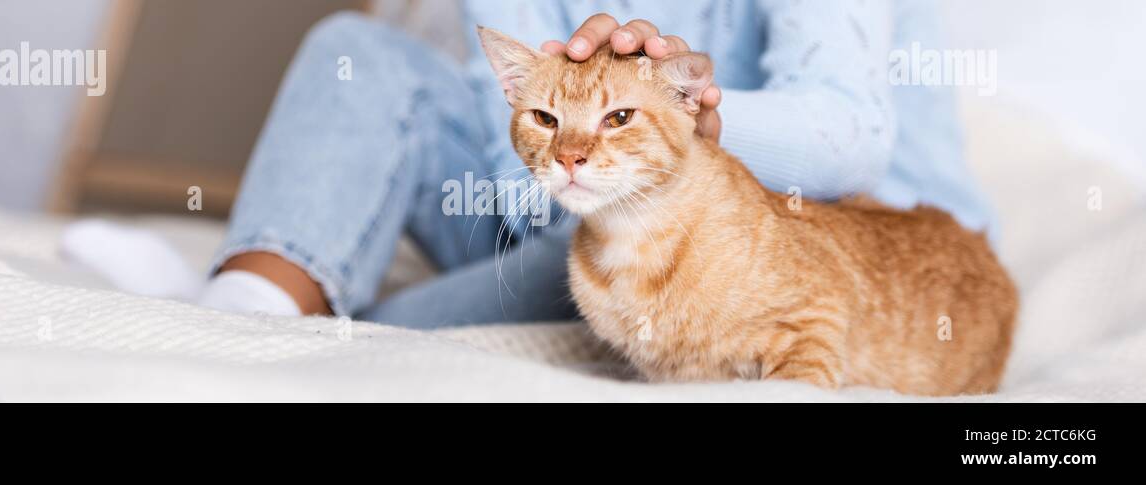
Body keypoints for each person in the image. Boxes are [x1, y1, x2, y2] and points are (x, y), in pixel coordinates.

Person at [194, 0, 993, 328]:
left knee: (627, 242)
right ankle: (244, 312)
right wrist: (581, 128)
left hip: (831, 224)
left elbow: (849, 138)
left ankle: (299, 317)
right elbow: (516, 186)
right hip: (578, 199)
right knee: (354, 52)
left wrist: (691, 116)